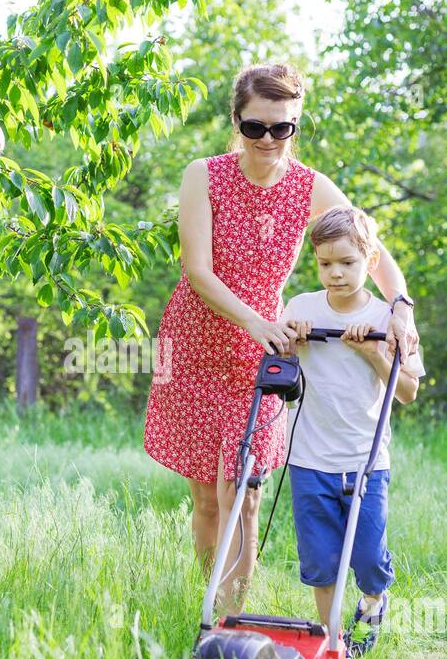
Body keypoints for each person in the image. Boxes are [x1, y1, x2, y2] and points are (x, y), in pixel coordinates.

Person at [143, 62, 419, 615]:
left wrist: (402, 307)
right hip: (197, 343)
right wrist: (253, 321)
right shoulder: (205, 174)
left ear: (296, 125)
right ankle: (213, 607)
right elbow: (197, 269)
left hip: (263, 350)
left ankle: (236, 611)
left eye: (282, 128)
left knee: (244, 490)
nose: (269, 139)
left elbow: (373, 252)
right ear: (237, 122)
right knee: (205, 496)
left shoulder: (310, 187)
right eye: (255, 128)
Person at [281, 206, 426, 654]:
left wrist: (373, 354)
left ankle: (374, 598)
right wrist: (292, 342)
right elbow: (282, 374)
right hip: (308, 459)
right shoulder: (302, 307)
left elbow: (407, 393)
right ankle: (331, 642)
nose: (336, 273)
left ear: (371, 262)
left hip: (365, 461)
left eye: (347, 263)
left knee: (366, 559)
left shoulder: (388, 319)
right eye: (326, 263)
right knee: (321, 562)